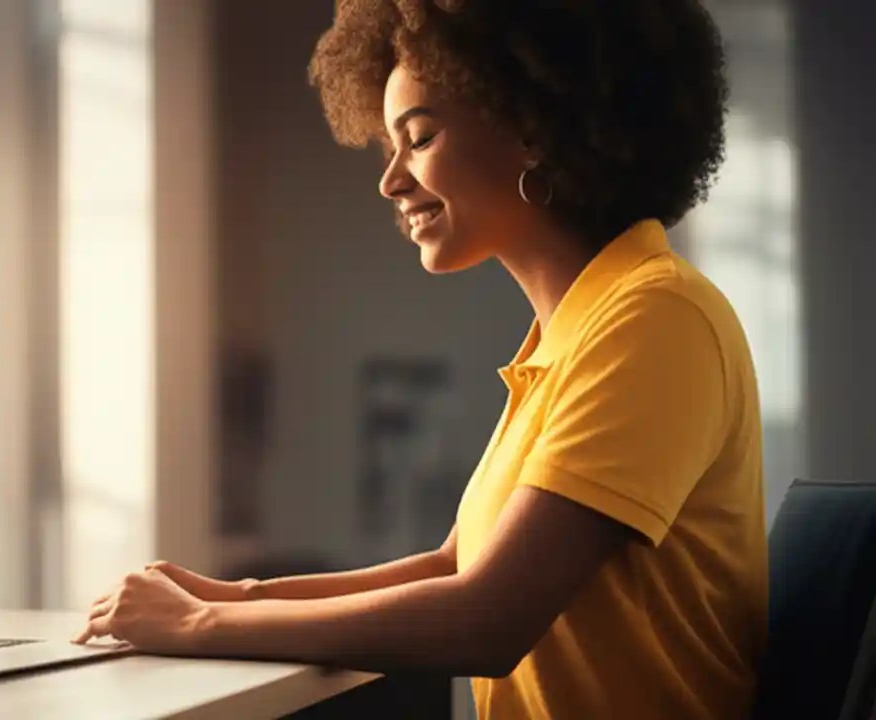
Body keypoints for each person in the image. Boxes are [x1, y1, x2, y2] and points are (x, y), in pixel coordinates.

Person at [74, 1, 767, 717]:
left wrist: (199, 625)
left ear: (534, 128)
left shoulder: (653, 317)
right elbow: (452, 565)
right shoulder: (573, 330)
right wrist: (235, 597)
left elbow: (487, 619)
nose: (391, 180)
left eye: (421, 138)